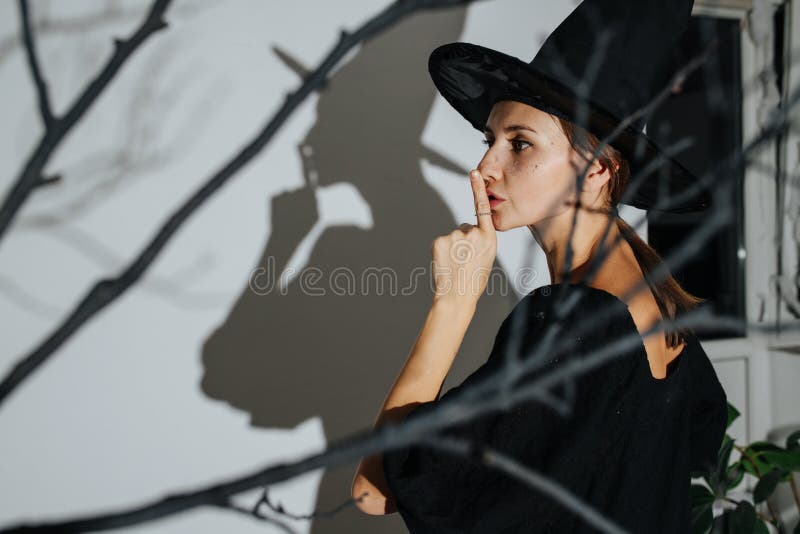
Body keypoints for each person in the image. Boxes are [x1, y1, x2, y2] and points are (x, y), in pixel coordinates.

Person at [351, 0, 728, 531]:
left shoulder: (577, 322)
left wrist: (455, 302)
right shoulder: (659, 308)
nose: (485, 167)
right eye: (490, 141)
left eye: (519, 143)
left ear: (598, 169)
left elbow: (373, 490)